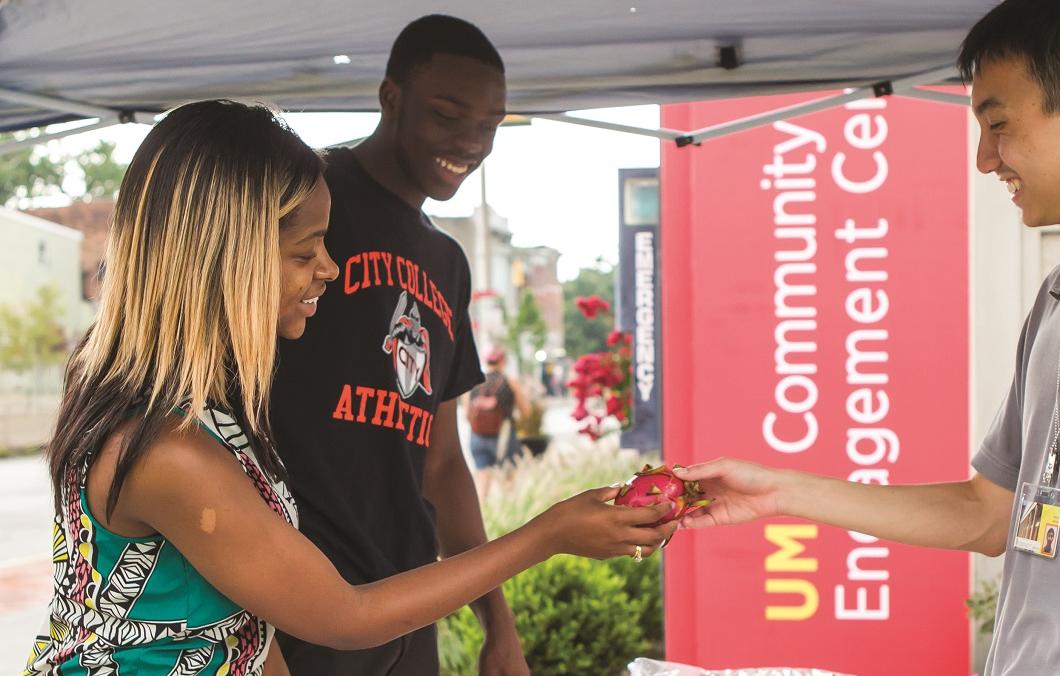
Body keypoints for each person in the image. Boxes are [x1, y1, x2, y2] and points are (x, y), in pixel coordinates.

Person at [25, 99, 676, 675]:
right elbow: (345, 616)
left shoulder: (209, 412)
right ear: (228, 259)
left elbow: (245, 634)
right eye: (305, 254)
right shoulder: (169, 451)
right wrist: (548, 534)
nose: (329, 270)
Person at [675, 1, 1060, 674]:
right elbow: (987, 514)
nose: (985, 160)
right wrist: (778, 492)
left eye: (999, 126)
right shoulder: (1059, 299)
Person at [268, 14, 544, 674]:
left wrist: (496, 621)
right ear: (392, 98)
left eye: (491, 124)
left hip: (407, 608)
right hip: (298, 603)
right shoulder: (308, 197)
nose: (471, 141)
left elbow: (442, 462)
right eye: (448, 115)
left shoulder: (447, 260)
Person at [468, 347, 531, 499]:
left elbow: (466, 414)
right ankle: (508, 515)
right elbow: (526, 411)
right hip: (503, 435)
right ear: (503, 362)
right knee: (508, 480)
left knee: (482, 479)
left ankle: (484, 516)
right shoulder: (510, 381)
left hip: (477, 436)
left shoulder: (474, 383)